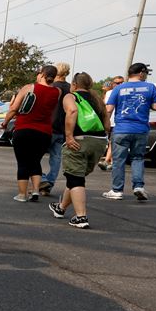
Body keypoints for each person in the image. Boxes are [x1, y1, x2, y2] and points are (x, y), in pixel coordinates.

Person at [48, 73, 110, 229]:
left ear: (74, 84)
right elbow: (107, 122)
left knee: (76, 179)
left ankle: (81, 217)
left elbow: (73, 111)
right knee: (76, 176)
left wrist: (69, 136)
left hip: (79, 140)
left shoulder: (71, 96)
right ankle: (61, 208)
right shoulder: (97, 99)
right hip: (99, 142)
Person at [103, 62, 156, 201]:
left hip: (121, 129)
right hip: (141, 129)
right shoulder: (150, 87)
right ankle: (138, 187)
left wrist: (106, 127)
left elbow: (109, 109)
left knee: (119, 160)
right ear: (141, 73)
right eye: (146, 73)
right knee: (138, 158)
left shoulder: (118, 89)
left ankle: (117, 190)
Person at [1, 64, 61, 202]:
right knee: (35, 162)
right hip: (45, 132)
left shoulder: (29, 88)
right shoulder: (57, 92)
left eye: (38, 73)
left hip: (24, 129)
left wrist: (4, 124)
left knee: (23, 162)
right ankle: (35, 191)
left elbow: (14, 109)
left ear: (42, 75)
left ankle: (22, 194)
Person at [39, 63, 71, 196]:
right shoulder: (71, 88)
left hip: (48, 125)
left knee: (35, 156)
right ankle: (49, 183)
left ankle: (42, 179)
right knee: (56, 158)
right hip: (62, 128)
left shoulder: (51, 87)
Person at [98, 75, 125, 170]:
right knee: (111, 142)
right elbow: (106, 108)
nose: (120, 84)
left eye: (122, 82)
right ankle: (110, 161)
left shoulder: (125, 92)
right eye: (118, 83)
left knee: (112, 142)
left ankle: (108, 161)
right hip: (111, 121)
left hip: (119, 122)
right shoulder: (110, 93)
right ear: (113, 84)